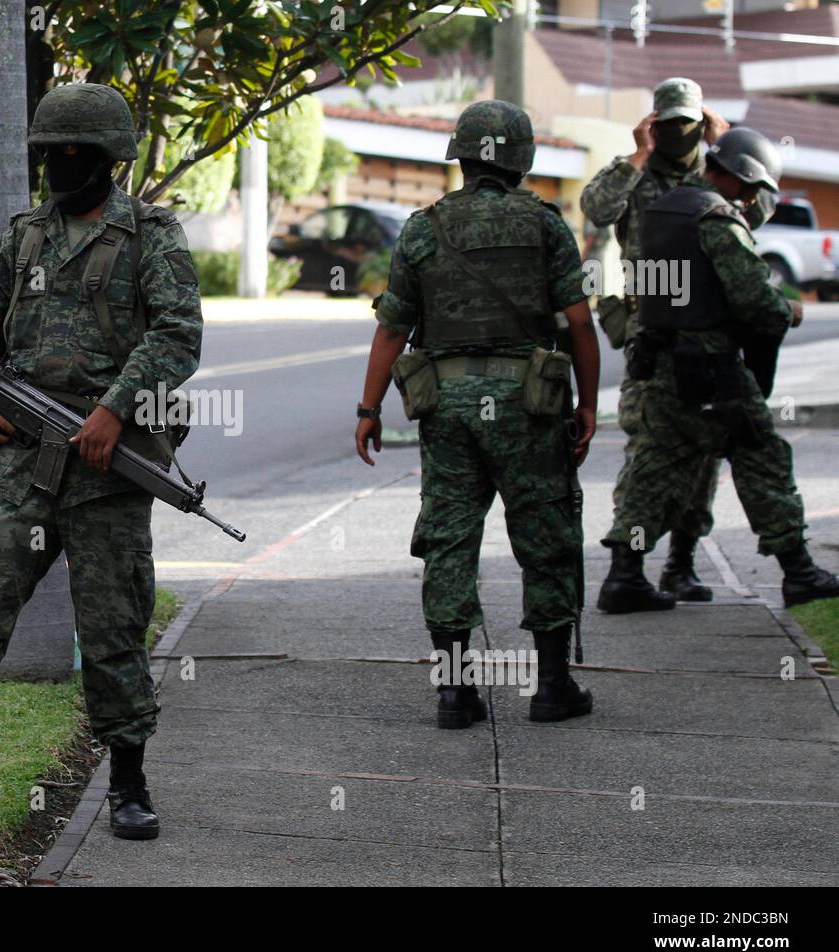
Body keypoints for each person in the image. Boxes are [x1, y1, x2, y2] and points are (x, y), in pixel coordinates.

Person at [0, 83, 204, 840]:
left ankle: (129, 782)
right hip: (22, 457)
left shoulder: (152, 236)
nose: (59, 166)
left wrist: (114, 410)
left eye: (75, 154)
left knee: (113, 624)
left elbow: (178, 335)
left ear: (110, 159)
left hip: (109, 465)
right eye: (50, 153)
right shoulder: (24, 237)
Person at [356, 99, 600, 728]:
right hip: (530, 405)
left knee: (450, 539)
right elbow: (578, 323)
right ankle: (551, 687)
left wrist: (368, 409)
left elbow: (392, 328)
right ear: (523, 158)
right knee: (545, 536)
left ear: (461, 156)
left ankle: (454, 694)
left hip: (449, 409)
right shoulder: (545, 224)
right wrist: (590, 405)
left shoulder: (423, 227)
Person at [597, 126, 839, 610]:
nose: (753, 201)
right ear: (741, 181)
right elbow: (754, 301)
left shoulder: (662, 210)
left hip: (659, 366)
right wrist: (786, 309)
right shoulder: (717, 219)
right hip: (712, 372)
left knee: (651, 472)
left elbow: (654, 287)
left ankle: (625, 575)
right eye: (753, 190)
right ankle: (799, 571)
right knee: (761, 459)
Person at [582, 78, 771, 611]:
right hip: (655, 325)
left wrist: (724, 150)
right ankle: (629, 568)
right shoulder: (634, 177)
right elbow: (595, 209)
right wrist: (636, 156)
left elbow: (752, 218)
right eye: (668, 126)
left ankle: (680, 564)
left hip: (708, 325)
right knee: (650, 450)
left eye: (689, 125)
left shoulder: (716, 177)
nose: (678, 135)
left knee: (706, 450)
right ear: (653, 125)